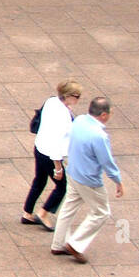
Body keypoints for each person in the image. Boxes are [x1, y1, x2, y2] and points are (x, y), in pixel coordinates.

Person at [50, 97, 124, 264]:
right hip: (89, 179)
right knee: (101, 212)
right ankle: (75, 244)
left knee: (69, 206)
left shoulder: (80, 120)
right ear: (104, 115)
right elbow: (107, 162)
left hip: (73, 171)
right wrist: (117, 180)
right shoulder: (99, 136)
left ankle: (58, 243)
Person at [23, 79, 82, 229]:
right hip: (50, 154)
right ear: (68, 96)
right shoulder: (63, 115)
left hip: (39, 147)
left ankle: (27, 212)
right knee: (62, 186)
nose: (78, 99)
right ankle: (44, 213)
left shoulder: (51, 101)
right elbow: (57, 141)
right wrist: (58, 168)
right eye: (77, 96)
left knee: (39, 180)